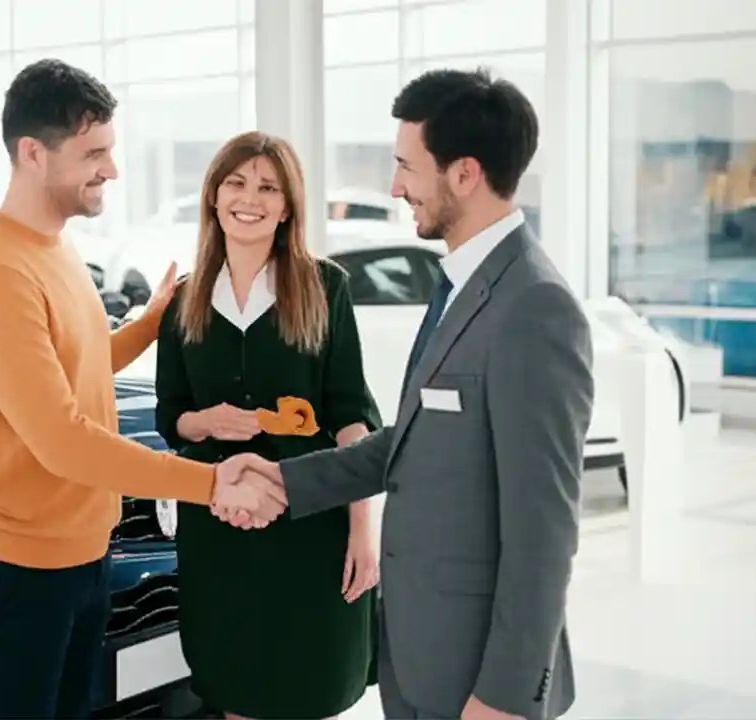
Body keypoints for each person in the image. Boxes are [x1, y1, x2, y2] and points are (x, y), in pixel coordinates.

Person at [229, 68, 594, 719]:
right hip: (422, 659)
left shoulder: (534, 307)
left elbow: (545, 531)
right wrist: (286, 482)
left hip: (478, 684)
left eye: (406, 167)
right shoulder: (462, 281)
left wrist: (505, 697)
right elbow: (417, 441)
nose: (395, 187)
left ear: (464, 174)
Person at [0, 59, 284, 720]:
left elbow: (78, 363)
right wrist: (210, 485)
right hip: (21, 572)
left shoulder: (53, 248)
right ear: (33, 153)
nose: (112, 171)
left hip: (85, 557)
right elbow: (62, 439)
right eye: (95, 153)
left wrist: (148, 326)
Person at [154, 131, 383, 719]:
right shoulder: (185, 301)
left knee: (308, 684)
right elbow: (170, 413)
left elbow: (351, 417)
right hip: (220, 525)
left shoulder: (325, 287)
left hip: (310, 526)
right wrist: (203, 421)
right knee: (236, 684)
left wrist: (363, 528)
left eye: (267, 186)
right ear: (213, 196)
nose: (248, 198)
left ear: (287, 207)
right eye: (235, 182)